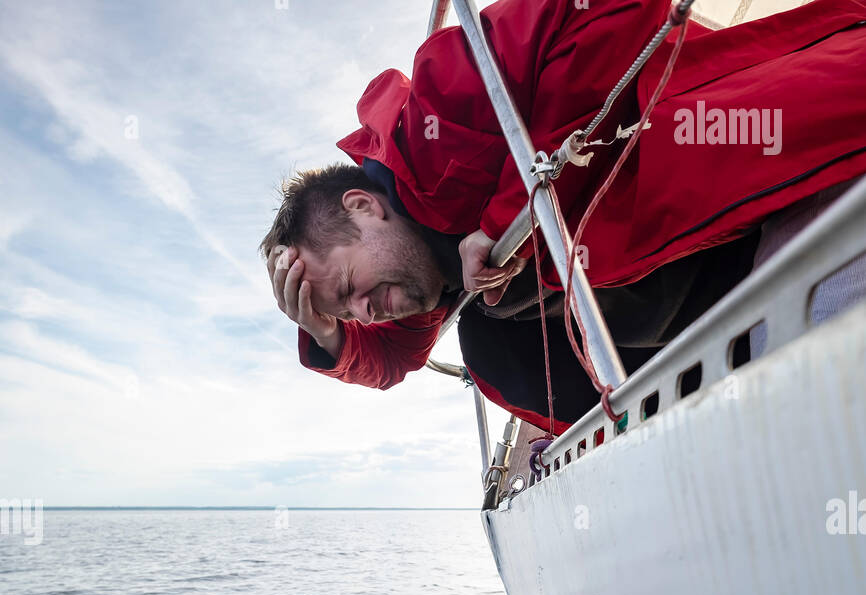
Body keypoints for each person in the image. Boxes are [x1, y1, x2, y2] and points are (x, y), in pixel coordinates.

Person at [261, 0, 866, 435]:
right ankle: (664, 431)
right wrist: (327, 335)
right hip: (734, 299)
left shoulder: (437, 118)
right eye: (350, 311)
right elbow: (394, 357)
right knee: (489, 344)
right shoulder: (426, 266)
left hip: (784, 178)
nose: (364, 312)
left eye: (347, 289)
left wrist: (507, 219)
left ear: (364, 206)